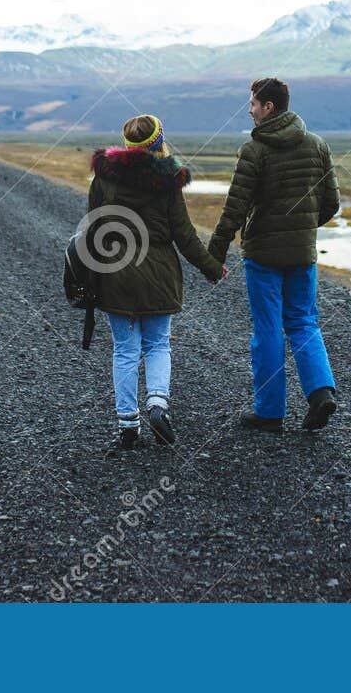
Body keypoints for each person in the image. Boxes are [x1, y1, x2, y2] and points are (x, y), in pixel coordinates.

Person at [85, 114, 226, 450]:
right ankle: (158, 405)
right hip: (159, 275)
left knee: (125, 349)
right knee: (158, 345)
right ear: (159, 142)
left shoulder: (104, 177)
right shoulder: (168, 182)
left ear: (127, 142)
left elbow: (93, 228)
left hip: (116, 273)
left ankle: (127, 424)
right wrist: (212, 268)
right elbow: (184, 235)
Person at [208, 77, 340, 433]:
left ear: (268, 107)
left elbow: (234, 210)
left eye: (252, 104)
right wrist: (302, 228)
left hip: (263, 255)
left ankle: (269, 413)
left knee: (268, 328)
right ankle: (321, 392)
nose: (249, 110)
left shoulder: (254, 150)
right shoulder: (317, 145)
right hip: (302, 254)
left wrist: (215, 252)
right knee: (303, 322)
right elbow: (331, 203)